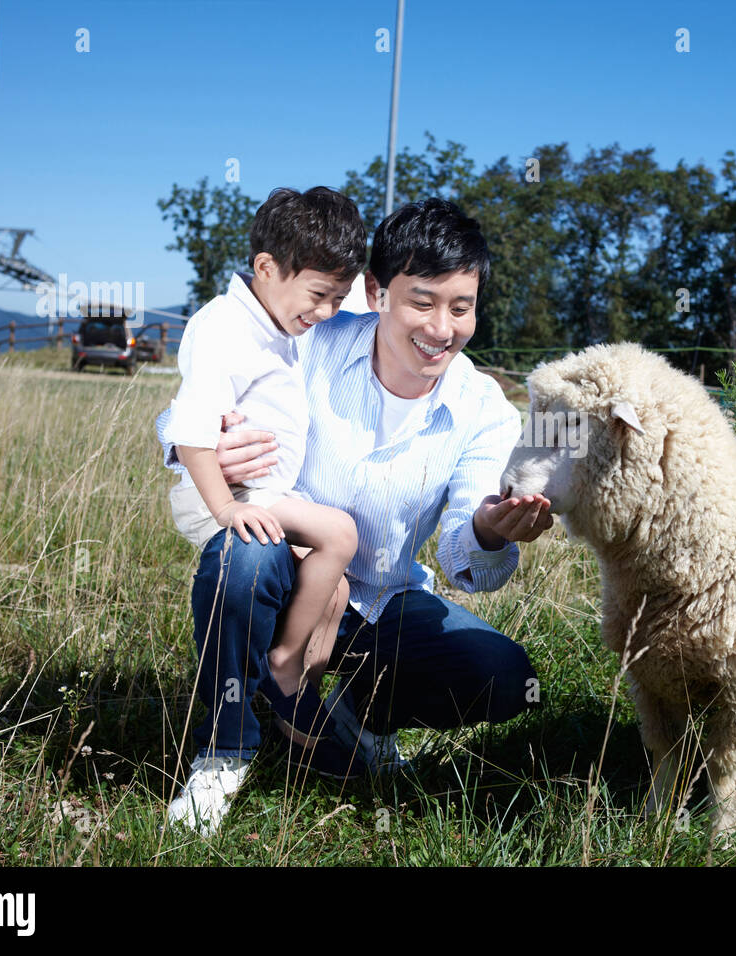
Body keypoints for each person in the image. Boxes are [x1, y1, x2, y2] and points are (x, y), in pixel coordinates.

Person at [156, 198, 554, 836]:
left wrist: (486, 532)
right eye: (421, 302)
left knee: (502, 675)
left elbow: (465, 563)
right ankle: (223, 752)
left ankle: (355, 714)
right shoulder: (311, 336)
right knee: (243, 554)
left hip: (382, 599)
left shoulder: (484, 409)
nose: (441, 328)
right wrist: (187, 444)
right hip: (290, 576)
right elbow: (197, 401)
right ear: (376, 293)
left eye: (461, 307)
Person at [165, 186, 364, 723]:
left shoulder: (279, 319)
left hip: (265, 492)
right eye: (319, 295)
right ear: (266, 267)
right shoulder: (227, 329)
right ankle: (281, 667)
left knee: (335, 590)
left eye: (339, 300)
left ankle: (291, 709)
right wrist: (227, 510)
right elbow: (189, 428)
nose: (326, 312)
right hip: (233, 495)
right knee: (340, 534)